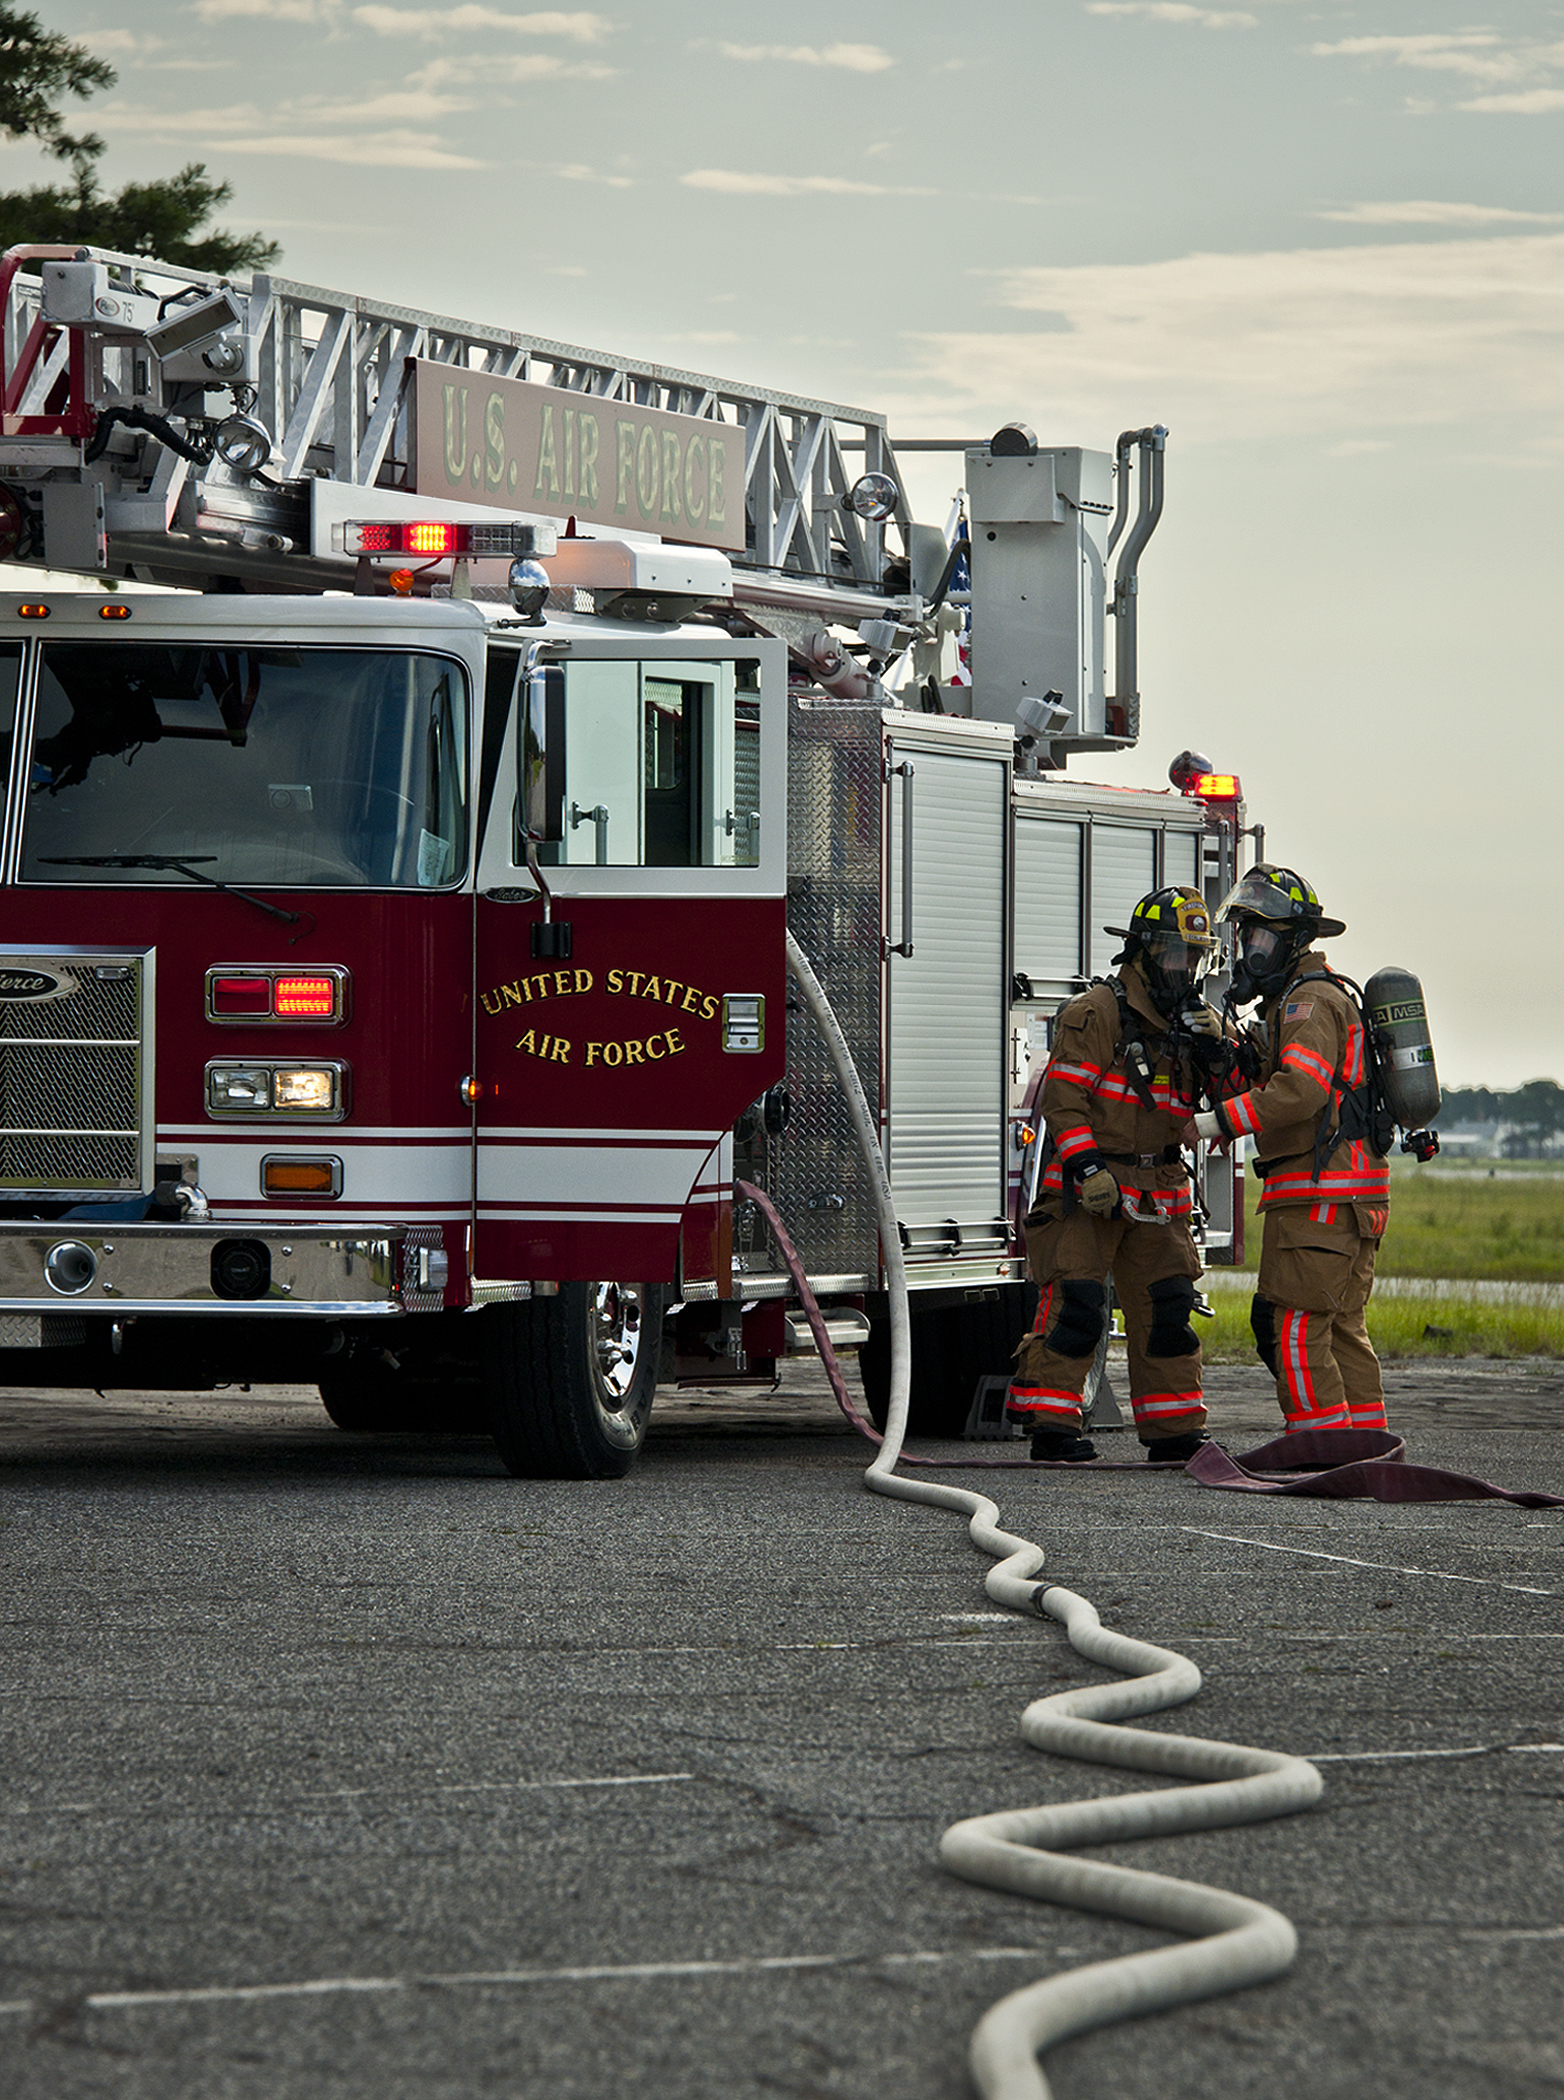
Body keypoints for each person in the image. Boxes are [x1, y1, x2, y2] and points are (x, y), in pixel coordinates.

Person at [1007, 886, 1226, 1464]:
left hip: (1158, 1193)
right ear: (1146, 952)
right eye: (1178, 955)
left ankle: (1175, 1431)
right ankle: (1053, 1428)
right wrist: (1086, 1167)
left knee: (1170, 1308)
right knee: (1077, 1305)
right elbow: (1063, 1102)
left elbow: (1233, 1100)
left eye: (1196, 957)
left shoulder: (1196, 1027)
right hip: (1089, 1192)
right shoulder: (1096, 1013)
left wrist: (1221, 1046)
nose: (1187, 969)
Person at [1192, 864, 1390, 1435]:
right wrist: (1225, 1041)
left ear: (1293, 940)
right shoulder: (1301, 1002)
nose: (1249, 952)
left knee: (1296, 1327)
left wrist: (1211, 1124)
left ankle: (1320, 1445)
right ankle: (1368, 1444)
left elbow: (1300, 1090)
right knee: (1342, 1328)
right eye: (1245, 937)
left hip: (1319, 1196)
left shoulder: (1308, 1003)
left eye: (1259, 937)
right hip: (1347, 1196)